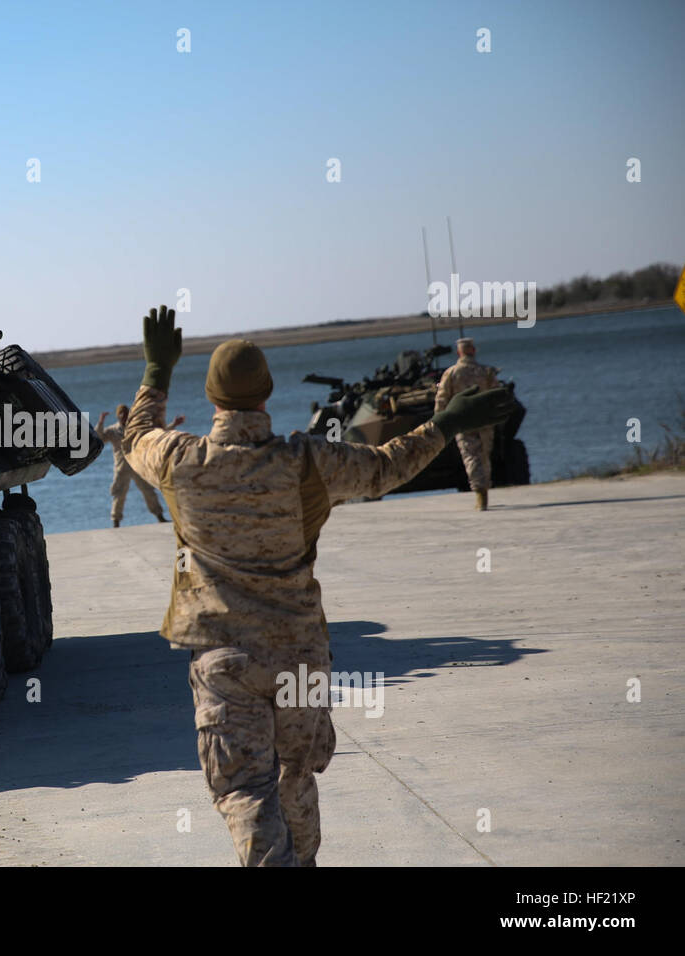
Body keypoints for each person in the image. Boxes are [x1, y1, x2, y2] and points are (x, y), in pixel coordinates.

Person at [121, 305, 515, 866]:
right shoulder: (306, 459)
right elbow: (387, 467)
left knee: (243, 789)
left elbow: (137, 434)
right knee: (295, 773)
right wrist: (446, 424)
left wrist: (156, 370)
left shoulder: (181, 461)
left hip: (226, 661)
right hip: (301, 657)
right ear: (267, 395)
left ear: (212, 399)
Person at [434, 337, 501, 510]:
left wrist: (439, 422)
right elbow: (497, 394)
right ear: (473, 350)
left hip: (463, 422)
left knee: (471, 456)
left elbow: (442, 399)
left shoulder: (452, 373)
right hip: (485, 421)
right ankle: (483, 490)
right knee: (484, 456)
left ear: (459, 352)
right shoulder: (486, 371)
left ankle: (480, 494)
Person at [95, 404, 183, 527]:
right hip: (122, 468)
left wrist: (173, 424)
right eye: (121, 415)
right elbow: (99, 438)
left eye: (126, 414)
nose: (124, 417)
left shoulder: (135, 429)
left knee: (149, 490)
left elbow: (157, 434)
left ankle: (159, 516)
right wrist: (101, 422)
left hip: (138, 465)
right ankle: (116, 521)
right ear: (118, 416)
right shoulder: (113, 430)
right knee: (119, 493)